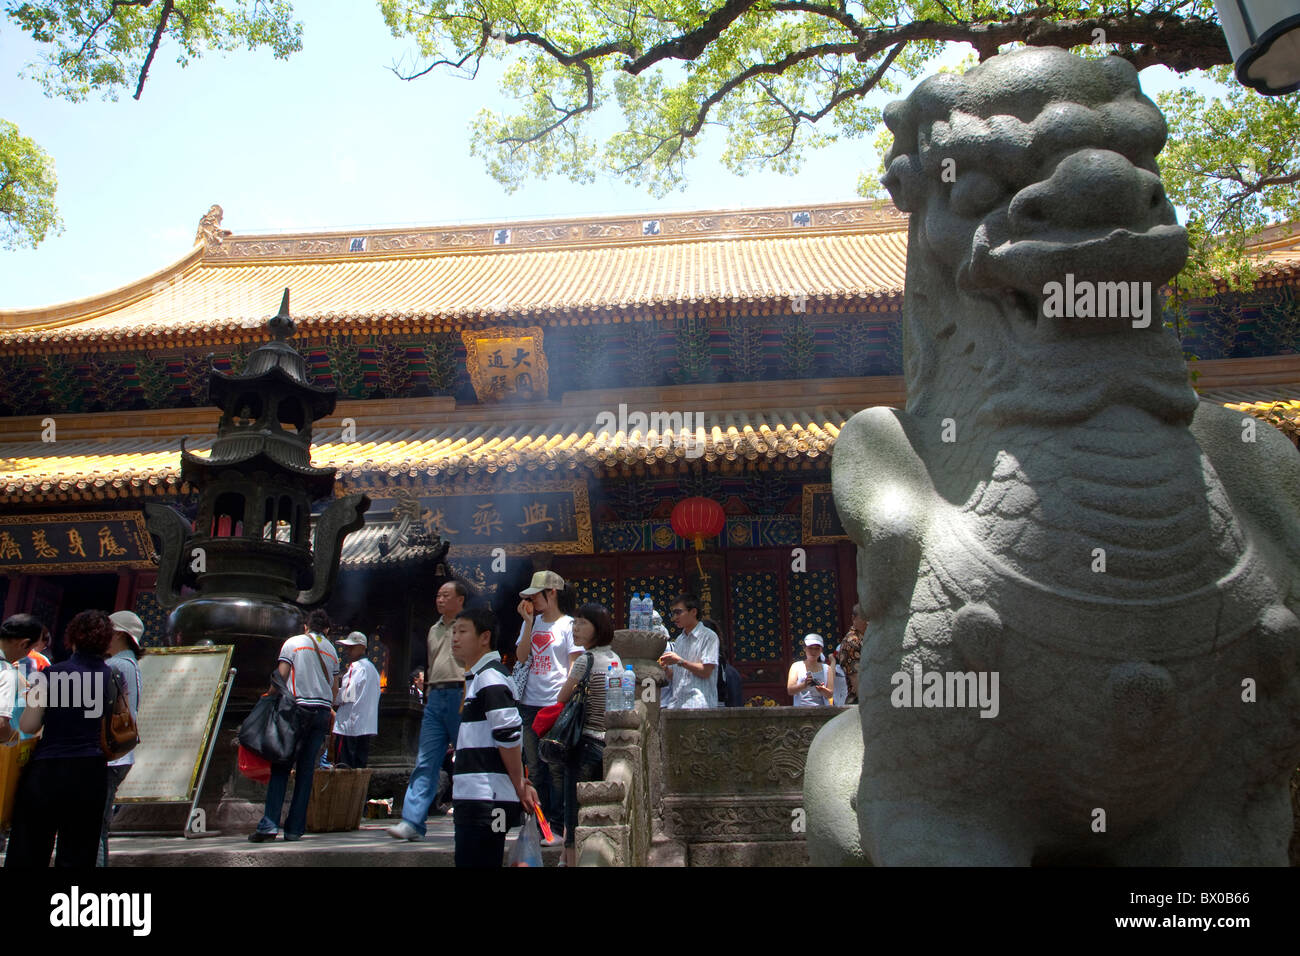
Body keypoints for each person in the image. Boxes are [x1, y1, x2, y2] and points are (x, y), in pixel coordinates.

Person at [5, 610, 114, 868]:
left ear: (72, 638)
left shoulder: (50, 674)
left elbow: (29, 726)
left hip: (48, 770)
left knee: (29, 848)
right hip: (91, 772)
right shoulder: (113, 676)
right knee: (79, 851)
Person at [450, 606, 537, 867]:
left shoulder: (490, 677)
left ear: (484, 637)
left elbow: (508, 734)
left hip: (485, 800)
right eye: (453, 631)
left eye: (462, 631)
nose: (454, 638)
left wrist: (519, 782)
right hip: (477, 799)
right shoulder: (480, 677)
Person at [249, 609, 338, 843]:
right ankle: (295, 829)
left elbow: (281, 676)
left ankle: (269, 826)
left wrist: (268, 696)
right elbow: (335, 688)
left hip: (297, 710)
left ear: (306, 626)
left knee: (281, 765)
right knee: (306, 771)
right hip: (321, 712)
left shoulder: (294, 643)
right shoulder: (332, 650)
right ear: (326, 629)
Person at [389, 580, 467, 841]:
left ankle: (471, 815)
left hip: (459, 692)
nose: (440, 599)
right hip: (435, 695)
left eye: (446, 595)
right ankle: (412, 822)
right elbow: (432, 665)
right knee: (426, 759)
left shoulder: (468, 627)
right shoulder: (433, 629)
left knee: (466, 758)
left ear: (461, 600)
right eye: (438, 594)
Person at [513, 570, 579, 842]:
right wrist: (528, 623)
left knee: (555, 768)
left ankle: (558, 825)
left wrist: (564, 701)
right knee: (535, 767)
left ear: (551, 592)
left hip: (555, 704)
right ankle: (540, 825)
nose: (532, 600)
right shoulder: (532, 622)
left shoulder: (569, 625)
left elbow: (574, 665)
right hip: (529, 704)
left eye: (535, 595)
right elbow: (521, 655)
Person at [554, 603, 621, 867]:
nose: (576, 628)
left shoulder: (585, 660)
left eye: (583, 623)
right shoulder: (616, 659)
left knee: (574, 809)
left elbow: (562, 697)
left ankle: (570, 860)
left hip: (583, 744)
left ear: (598, 628)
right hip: (607, 743)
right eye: (575, 622)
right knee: (597, 810)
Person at [99, 611, 145, 866]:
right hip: (121, 753)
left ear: (118, 634)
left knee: (95, 826)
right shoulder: (127, 663)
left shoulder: (115, 665)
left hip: (110, 755)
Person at [658, 594, 719, 709]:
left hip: (699, 705)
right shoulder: (680, 640)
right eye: (673, 613)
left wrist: (680, 661)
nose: (675, 617)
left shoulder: (709, 637)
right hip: (677, 705)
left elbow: (706, 671)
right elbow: (677, 677)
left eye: (678, 612)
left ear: (693, 612)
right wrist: (665, 669)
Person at [333, 631, 380, 769]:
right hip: (365, 726)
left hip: (349, 726)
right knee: (359, 768)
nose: (348, 650)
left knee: (343, 766)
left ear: (362, 647)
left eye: (351, 647)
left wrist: (333, 698)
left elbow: (348, 694)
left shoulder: (356, 667)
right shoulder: (373, 670)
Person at [0, 615, 45, 746]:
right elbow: (1, 725)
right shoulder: (7, 673)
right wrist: (15, 736)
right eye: (31, 648)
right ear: (24, 644)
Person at [788, 633, 834, 707]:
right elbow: (790, 690)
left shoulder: (827, 669)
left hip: (822, 710)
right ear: (804, 648)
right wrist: (804, 684)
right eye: (810, 648)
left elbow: (830, 694)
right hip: (800, 709)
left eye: (817, 648)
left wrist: (822, 690)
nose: (813, 651)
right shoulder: (796, 666)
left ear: (821, 650)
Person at [840, 605, 867, 704]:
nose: (868, 622)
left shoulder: (867, 638)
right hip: (861, 701)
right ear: (853, 618)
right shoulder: (851, 642)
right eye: (864, 618)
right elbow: (857, 679)